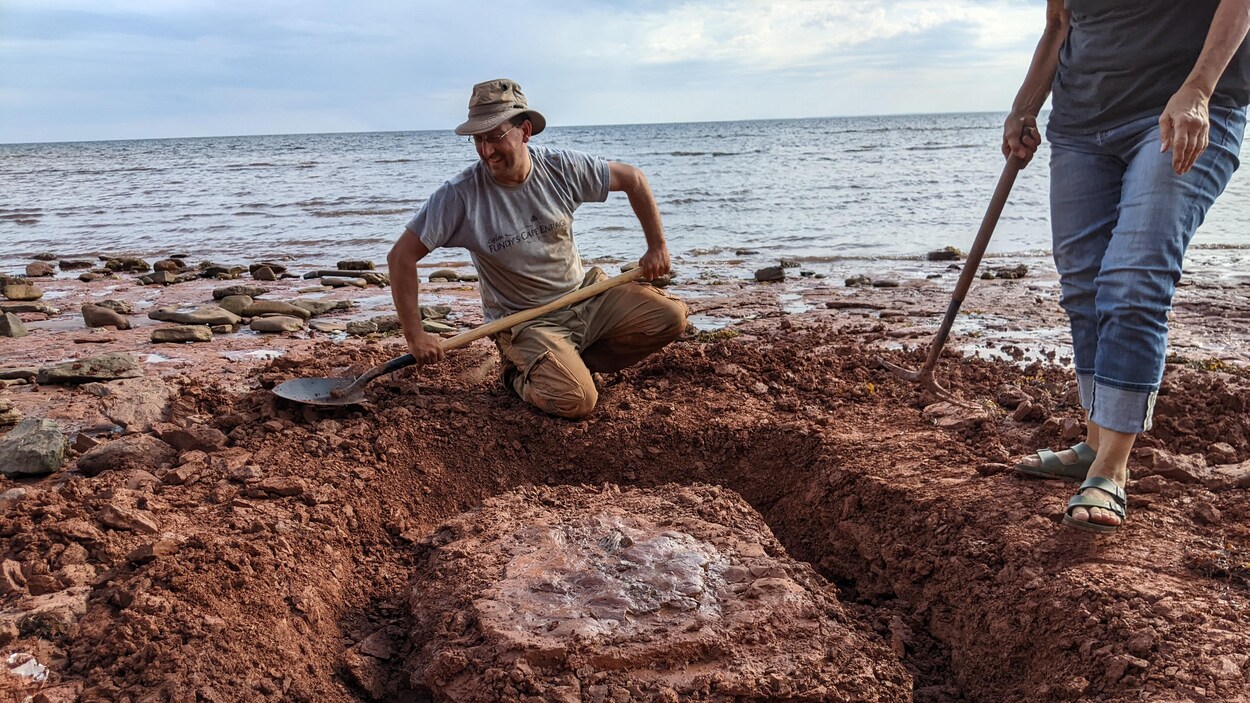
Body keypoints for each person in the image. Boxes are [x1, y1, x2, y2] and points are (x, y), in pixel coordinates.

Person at [1005, 1, 1250, 533]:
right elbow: (1059, 24)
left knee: (1134, 282)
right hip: (1080, 125)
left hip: (1179, 110)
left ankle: (1111, 468)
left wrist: (1200, 89)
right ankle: (1093, 444)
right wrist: (1025, 106)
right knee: (1084, 287)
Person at [387, 78, 687, 419]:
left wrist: (656, 246)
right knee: (577, 401)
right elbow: (400, 257)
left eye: (494, 136)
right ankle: (516, 375)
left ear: (524, 131)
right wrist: (415, 336)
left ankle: (571, 360)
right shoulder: (460, 196)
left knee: (670, 317)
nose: (486, 151)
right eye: (478, 139)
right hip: (525, 322)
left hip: (584, 297)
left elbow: (633, 178)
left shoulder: (561, 168)